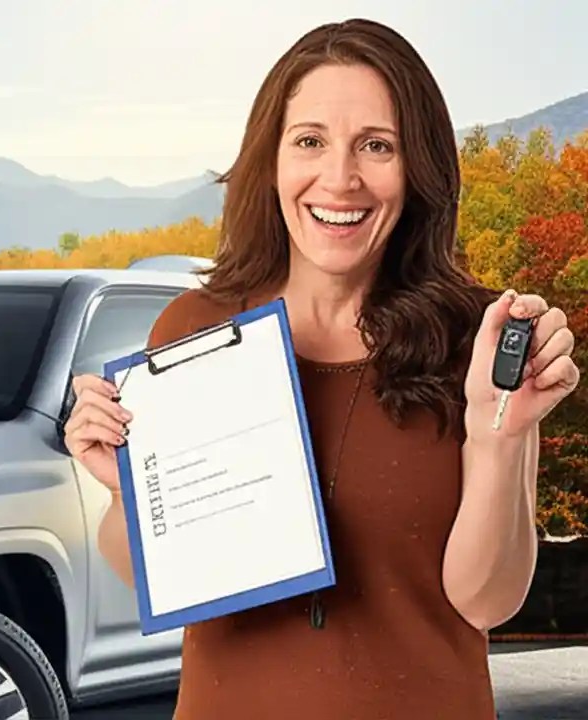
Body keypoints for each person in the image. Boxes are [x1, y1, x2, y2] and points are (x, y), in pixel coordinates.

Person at [64, 17, 581, 720]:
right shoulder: (192, 330)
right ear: (270, 161)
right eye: (310, 141)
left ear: (419, 165)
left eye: (376, 145)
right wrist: (127, 489)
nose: (340, 179)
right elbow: (148, 574)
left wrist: (501, 433)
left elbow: (486, 601)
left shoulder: (481, 339)